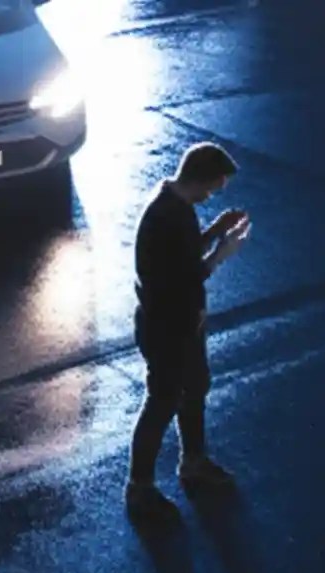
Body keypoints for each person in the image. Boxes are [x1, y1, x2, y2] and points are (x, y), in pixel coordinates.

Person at [127, 141, 252, 521]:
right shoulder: (169, 215)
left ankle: (193, 460)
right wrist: (221, 254)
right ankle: (140, 486)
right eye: (214, 188)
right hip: (167, 327)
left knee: (195, 386)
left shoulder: (175, 206)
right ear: (202, 180)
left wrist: (214, 229)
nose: (213, 195)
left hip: (183, 323)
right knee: (162, 400)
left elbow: (179, 257)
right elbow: (181, 276)